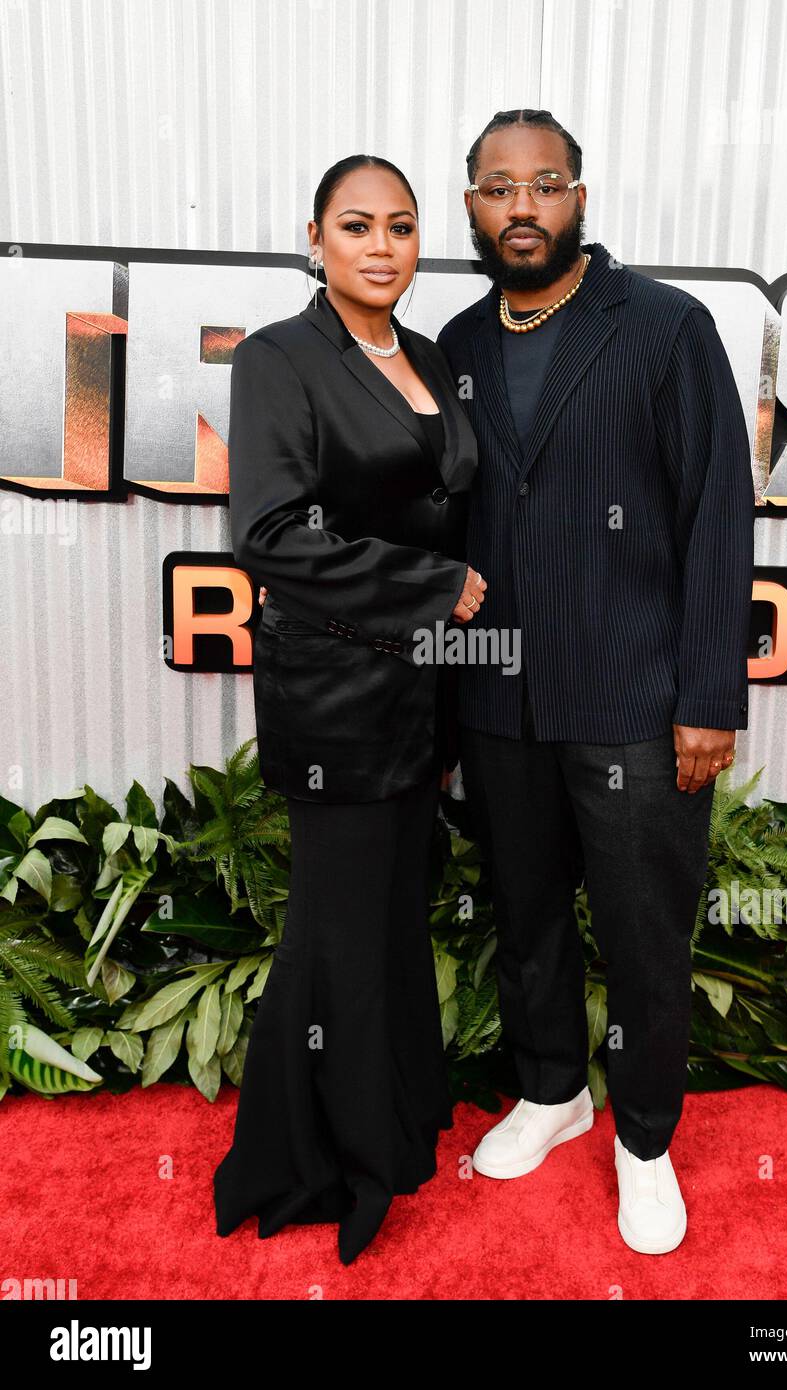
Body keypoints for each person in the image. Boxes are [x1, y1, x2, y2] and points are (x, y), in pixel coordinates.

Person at [436, 110, 755, 1255]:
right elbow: (446, 529)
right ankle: (551, 1090)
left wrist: (708, 695)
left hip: (632, 693)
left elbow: (717, 513)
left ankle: (645, 1141)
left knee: (641, 933)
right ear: (470, 203)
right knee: (525, 918)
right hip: (498, 697)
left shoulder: (665, 326)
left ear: (580, 194)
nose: (522, 206)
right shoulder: (456, 344)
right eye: (496, 188)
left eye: (545, 183)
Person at [213, 154, 486, 1265]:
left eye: (403, 227)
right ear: (315, 237)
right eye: (357, 225)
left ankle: (396, 1113)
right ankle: (314, 1160)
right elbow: (270, 535)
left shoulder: (427, 359)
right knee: (335, 933)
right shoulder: (280, 358)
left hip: (422, 693)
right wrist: (433, 589)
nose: (382, 246)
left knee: (390, 918)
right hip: (332, 696)